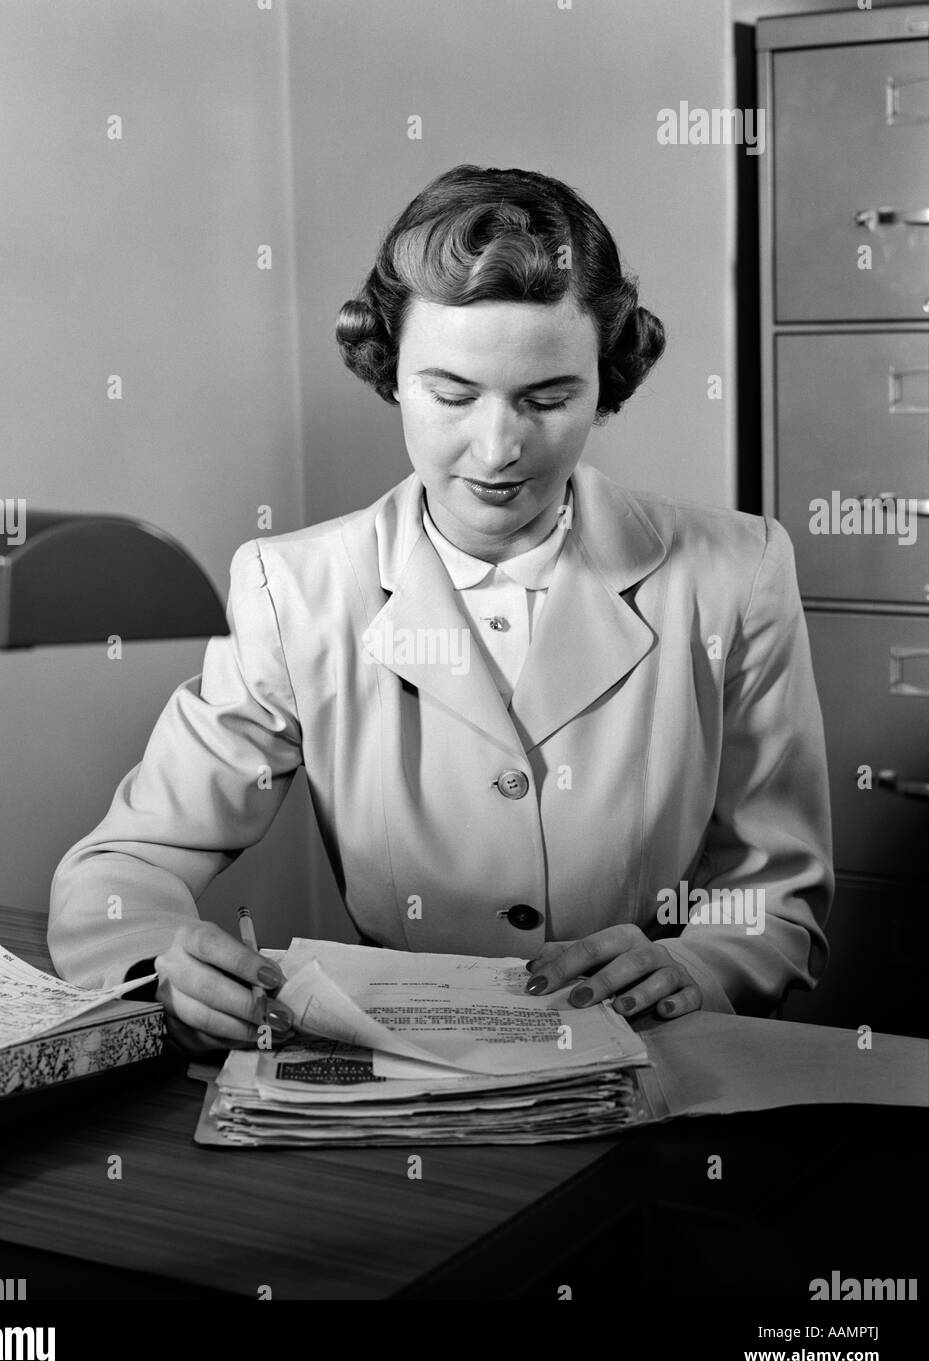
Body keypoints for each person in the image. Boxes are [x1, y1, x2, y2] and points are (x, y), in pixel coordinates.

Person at [48, 163, 833, 1055]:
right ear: (390, 373)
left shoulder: (737, 571)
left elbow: (774, 887)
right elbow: (124, 865)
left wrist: (705, 964)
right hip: (399, 1076)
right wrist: (161, 963)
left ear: (605, 382)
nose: (497, 449)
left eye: (547, 399)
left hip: (648, 1056)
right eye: (451, 395)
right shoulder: (293, 586)